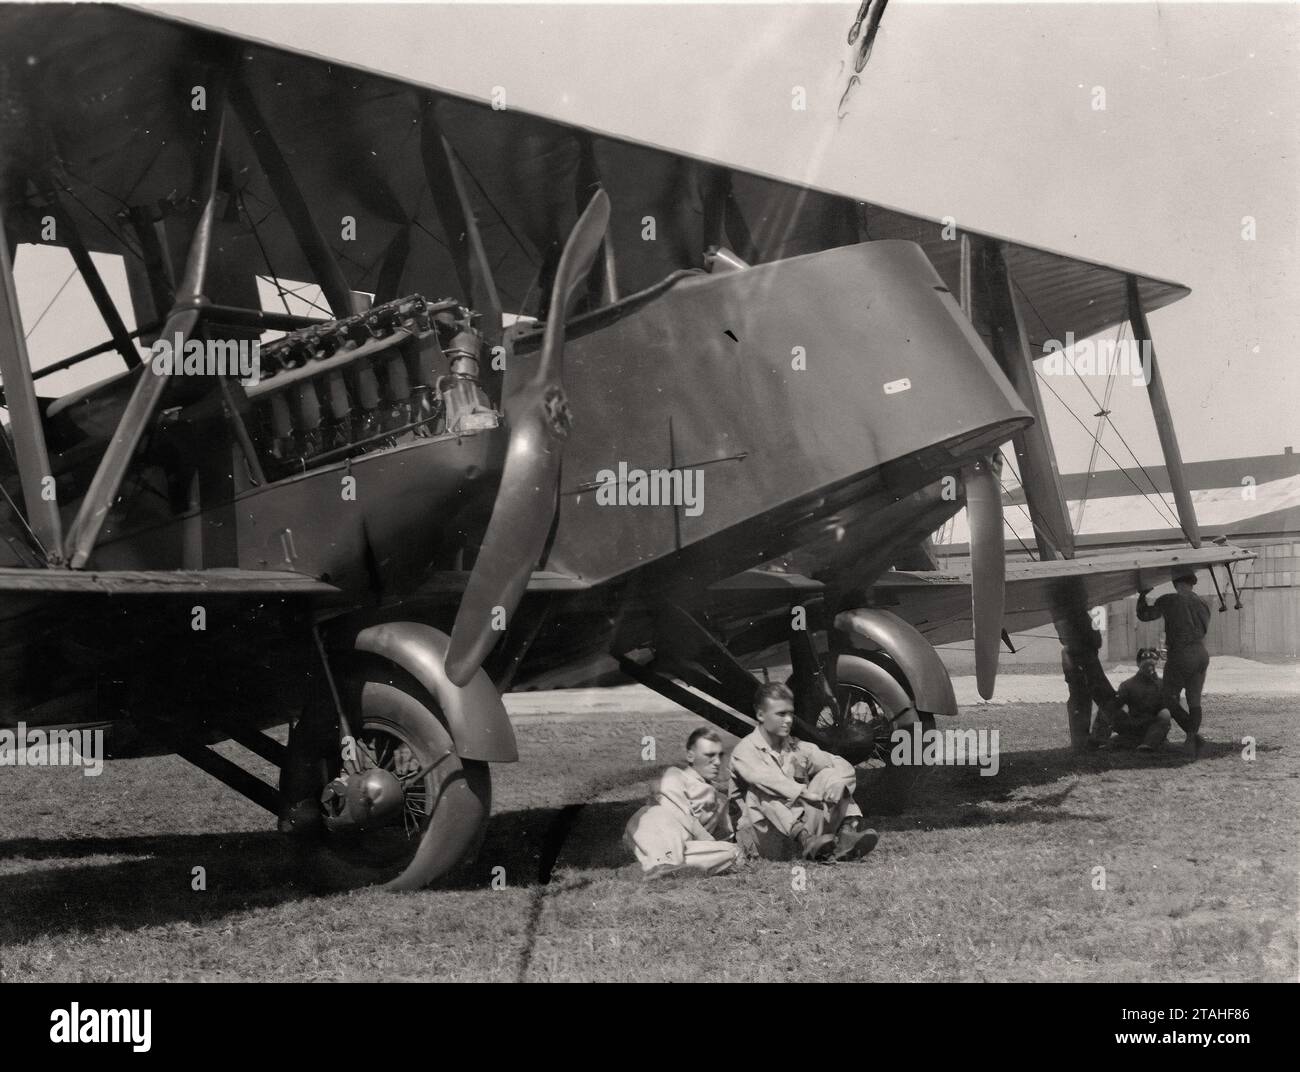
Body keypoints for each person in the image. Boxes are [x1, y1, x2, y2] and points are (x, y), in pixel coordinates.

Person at [729, 682, 878, 863]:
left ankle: (846, 835)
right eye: (780, 714)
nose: (789, 720)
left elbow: (842, 766)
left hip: (803, 837)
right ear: (761, 714)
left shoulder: (798, 747)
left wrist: (837, 786)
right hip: (764, 840)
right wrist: (803, 792)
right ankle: (806, 839)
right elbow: (762, 778)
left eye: (791, 713)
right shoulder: (745, 750)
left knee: (831, 774)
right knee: (759, 791)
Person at [623, 727, 741, 878]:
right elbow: (677, 812)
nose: (717, 762)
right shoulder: (675, 775)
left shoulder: (720, 799)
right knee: (658, 813)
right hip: (655, 832)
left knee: (732, 852)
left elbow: (723, 835)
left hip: (685, 846)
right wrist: (708, 840)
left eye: (720, 756)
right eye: (709, 755)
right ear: (691, 756)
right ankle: (661, 864)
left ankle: (663, 869)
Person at [1137, 572, 1210, 755]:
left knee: (1168, 698)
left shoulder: (1169, 600)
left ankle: (1192, 735)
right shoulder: (1203, 604)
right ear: (1192, 584)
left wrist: (1142, 595)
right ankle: (1192, 739)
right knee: (1194, 700)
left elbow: (1145, 615)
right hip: (1201, 653)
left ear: (1175, 583)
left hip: (1181, 653)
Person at [1089, 648, 1173, 751]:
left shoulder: (1161, 684)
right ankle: (1099, 740)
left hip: (1152, 725)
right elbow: (1114, 706)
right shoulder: (1128, 685)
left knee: (1165, 714)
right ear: (1138, 664)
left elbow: (1169, 710)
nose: (1148, 668)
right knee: (1108, 706)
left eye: (1151, 665)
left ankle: (1147, 743)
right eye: (1145, 664)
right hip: (1134, 725)